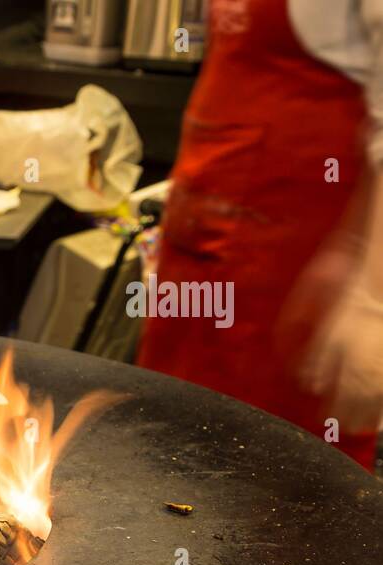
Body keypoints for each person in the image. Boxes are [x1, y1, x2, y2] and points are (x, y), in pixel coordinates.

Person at [136, 0, 383, 470]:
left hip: (292, 274)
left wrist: (375, 302)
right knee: (166, 463)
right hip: (199, 251)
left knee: (281, 495)